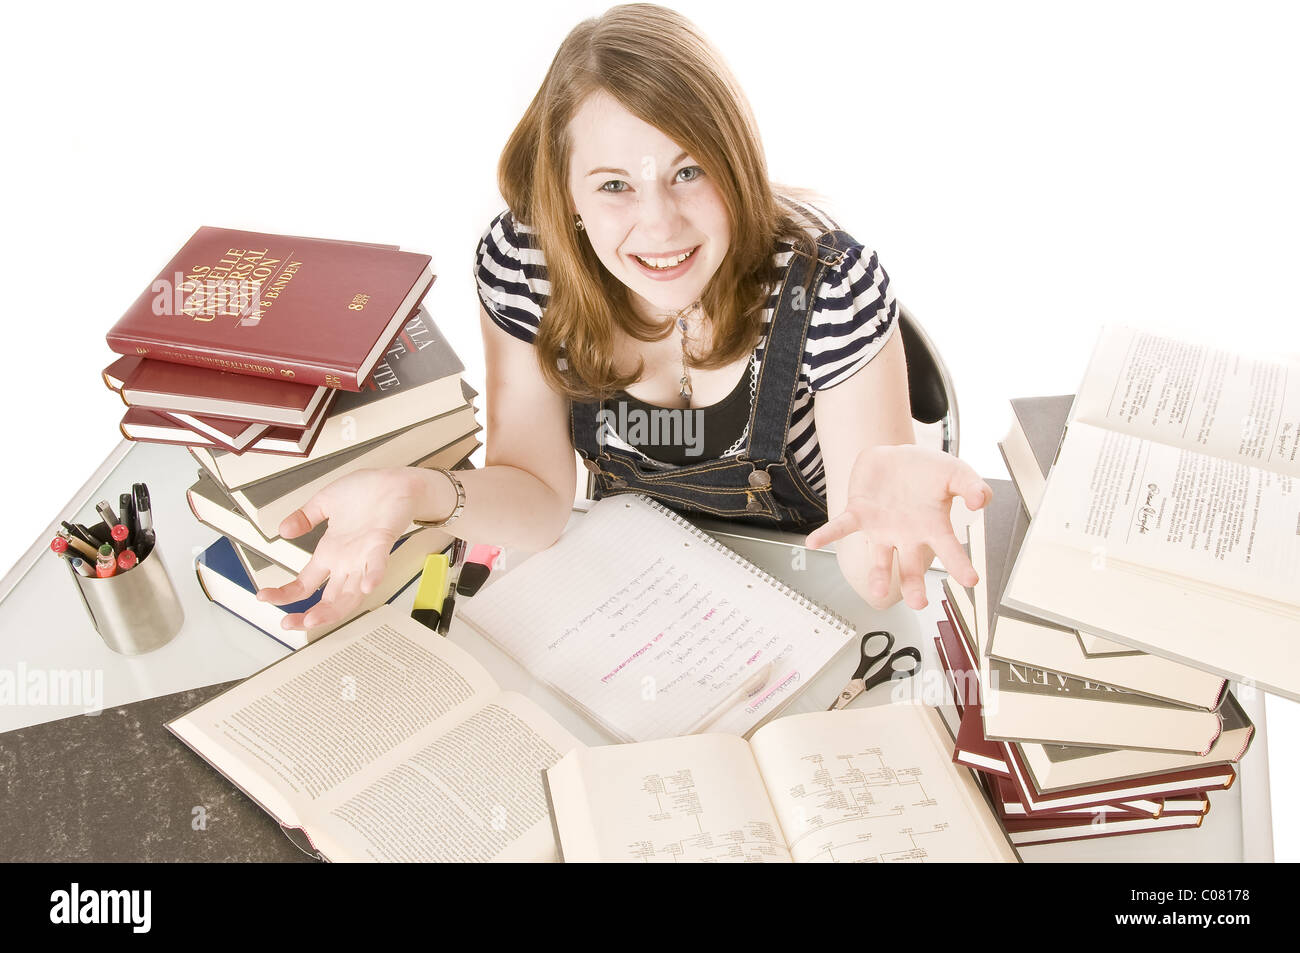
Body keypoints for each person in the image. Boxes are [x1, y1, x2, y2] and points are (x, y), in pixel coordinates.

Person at [258, 3, 991, 633]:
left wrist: (897, 505)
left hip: (806, 609)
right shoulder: (527, 267)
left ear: (735, 163)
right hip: (631, 606)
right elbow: (542, 503)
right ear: (567, 196)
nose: (660, 224)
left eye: (689, 171)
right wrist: (414, 491)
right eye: (614, 185)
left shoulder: (829, 288)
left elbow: (870, 577)